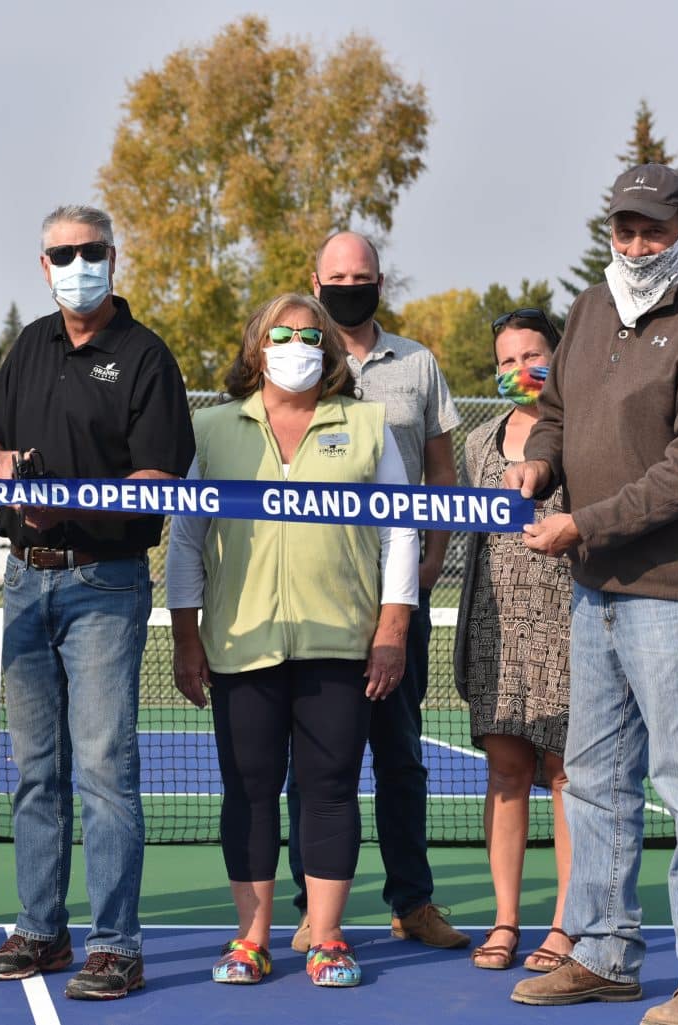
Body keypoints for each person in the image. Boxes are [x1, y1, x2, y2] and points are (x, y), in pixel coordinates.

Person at [507, 164, 678, 1025]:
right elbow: (556, 412)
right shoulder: (587, 309)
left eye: (654, 228)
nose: (638, 243)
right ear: (608, 228)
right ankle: (605, 952)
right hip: (597, 591)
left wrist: (583, 523)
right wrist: (539, 462)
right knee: (596, 779)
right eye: (626, 227)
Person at [0, 204, 194, 1000]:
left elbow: (159, 476)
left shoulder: (145, 357)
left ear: (112, 255)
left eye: (90, 250)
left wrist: (64, 509)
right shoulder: (30, 344)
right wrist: (0, 469)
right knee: (37, 770)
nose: (76, 263)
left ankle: (116, 944)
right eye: (61, 253)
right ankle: (40, 929)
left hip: (106, 580)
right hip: (25, 578)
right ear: (43, 265)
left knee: (103, 768)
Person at [166, 293, 419, 988]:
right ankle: (250, 939)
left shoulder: (366, 424)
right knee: (247, 791)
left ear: (331, 352)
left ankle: (328, 938)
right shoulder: (213, 428)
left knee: (331, 789)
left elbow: (401, 528)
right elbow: (186, 539)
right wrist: (186, 636)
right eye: (282, 333)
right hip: (240, 640)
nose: (297, 343)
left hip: (340, 640)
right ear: (257, 347)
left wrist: (393, 626)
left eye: (311, 334)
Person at [288, 230, 468, 953]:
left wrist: (428, 564)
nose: (350, 284)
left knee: (401, 756)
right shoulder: (296, 358)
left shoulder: (419, 364)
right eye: (338, 275)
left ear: (380, 281)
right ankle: (311, 906)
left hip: (396, 604)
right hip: (317, 597)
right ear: (316, 279)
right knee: (314, 765)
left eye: (363, 274)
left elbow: (442, 473)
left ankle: (412, 902)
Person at [453, 308, 573, 972]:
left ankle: (564, 926)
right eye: (505, 359)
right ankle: (504, 921)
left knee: (565, 779)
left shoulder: (581, 438)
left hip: (570, 626)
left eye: (533, 355)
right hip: (495, 632)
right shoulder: (478, 444)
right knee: (506, 775)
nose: (519, 369)